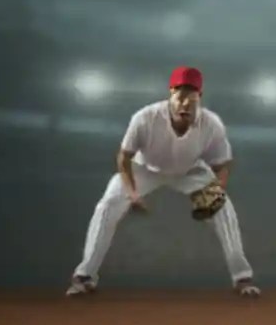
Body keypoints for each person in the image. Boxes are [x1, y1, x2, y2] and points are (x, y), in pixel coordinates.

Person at [65, 66, 261, 298]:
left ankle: (242, 277)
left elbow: (223, 164)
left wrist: (214, 194)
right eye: (180, 96)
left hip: (190, 170)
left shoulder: (211, 124)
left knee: (223, 206)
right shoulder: (145, 117)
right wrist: (132, 193)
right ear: (171, 93)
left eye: (191, 97)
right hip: (144, 168)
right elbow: (124, 158)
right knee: (108, 204)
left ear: (199, 96)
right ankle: (84, 275)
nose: (185, 103)